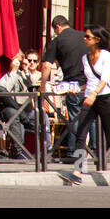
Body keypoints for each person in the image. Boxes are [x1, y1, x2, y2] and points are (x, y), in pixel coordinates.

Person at [65, 26, 110, 187]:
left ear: (97, 40)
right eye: (85, 36)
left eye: (87, 37)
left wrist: (93, 94)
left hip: (105, 99)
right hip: (90, 98)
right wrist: (77, 90)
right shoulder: (85, 58)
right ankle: (77, 173)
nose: (84, 39)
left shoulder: (106, 56)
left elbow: (104, 79)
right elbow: (90, 81)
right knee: (81, 133)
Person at [42, 16, 88, 160]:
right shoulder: (84, 37)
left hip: (73, 85)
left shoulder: (57, 41)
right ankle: (96, 150)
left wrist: (43, 85)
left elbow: (46, 65)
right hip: (90, 84)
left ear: (57, 26)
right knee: (90, 118)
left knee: (74, 118)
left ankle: (74, 154)